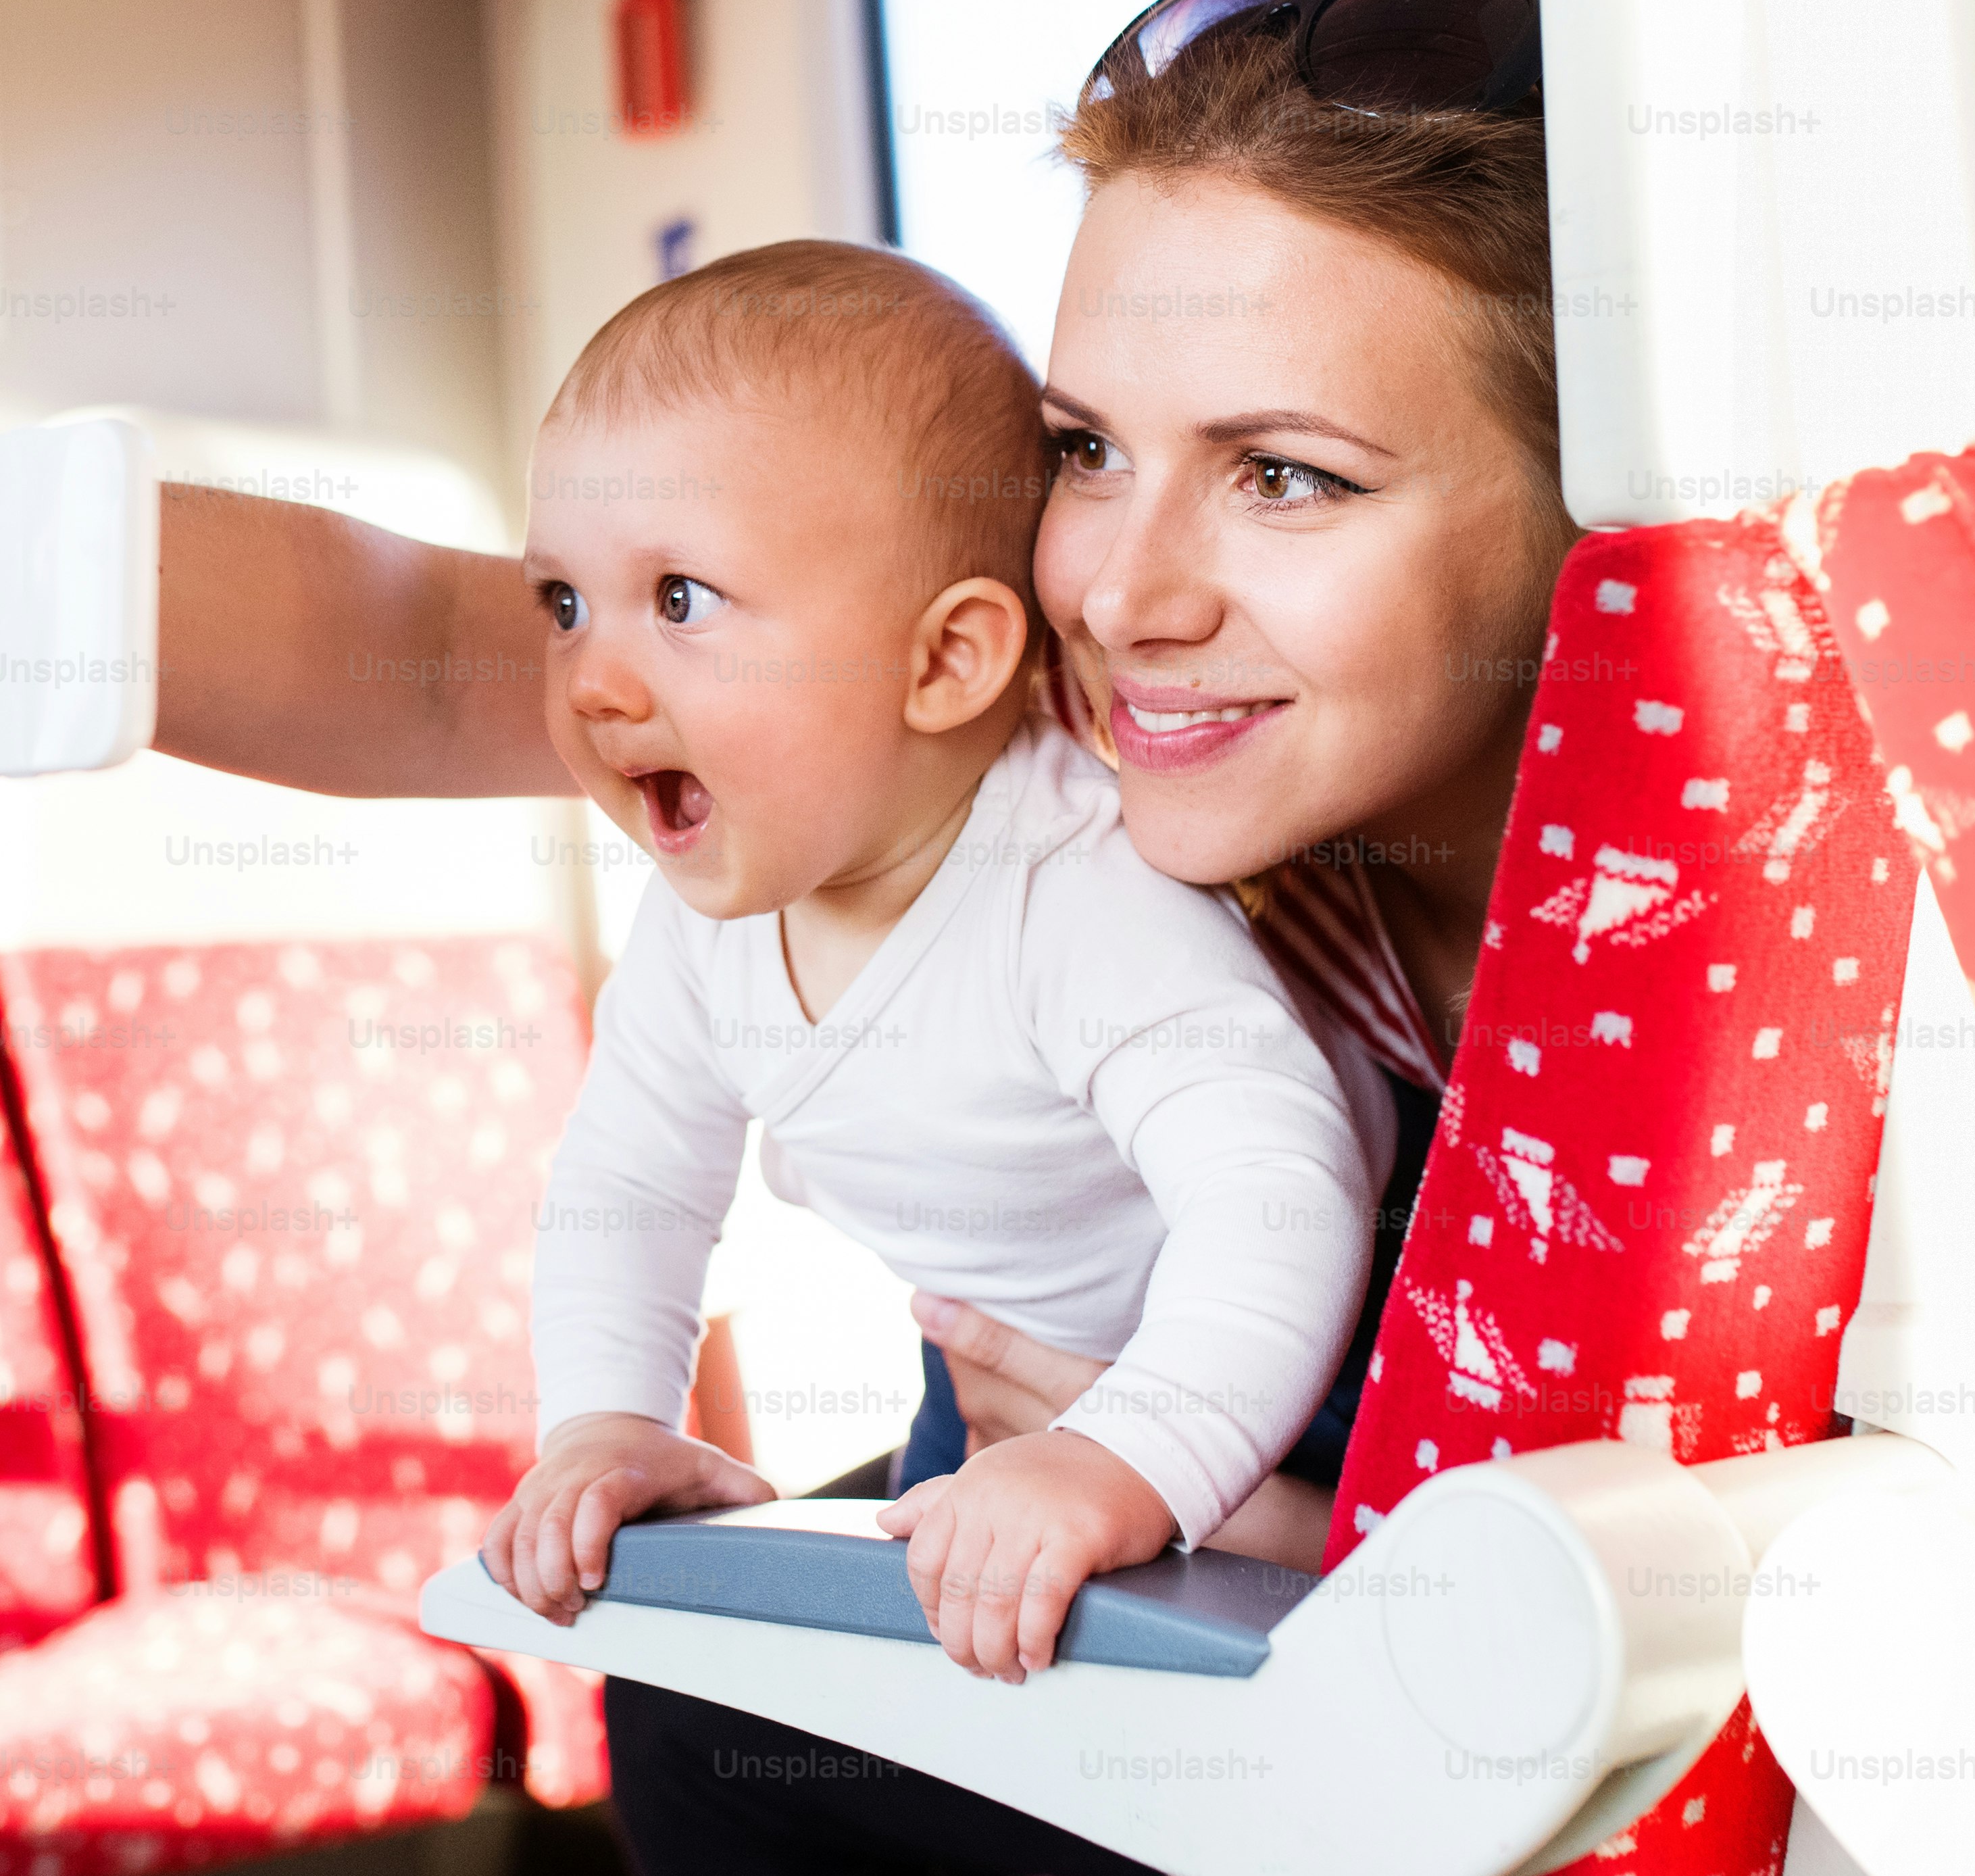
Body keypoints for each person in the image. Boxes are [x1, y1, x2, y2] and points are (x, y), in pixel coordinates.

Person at [0, 0, 1569, 1876]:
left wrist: (1232, 1511)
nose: (1119, 589)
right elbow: (448, 656)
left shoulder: (1710, 940)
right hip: (1063, 1466)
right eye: (1081, 448)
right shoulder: (1013, 695)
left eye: (1286, 473)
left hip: (1334, 1551)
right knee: (698, 1736)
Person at [478, 239, 1390, 1683]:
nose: (592, 677)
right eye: (564, 603)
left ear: (946, 660)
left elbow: (1281, 1204)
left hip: (1300, 1355)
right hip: (987, 1366)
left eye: (681, 599)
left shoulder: (1076, 896)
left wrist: (1120, 1461)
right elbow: (631, 1182)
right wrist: (605, 1419)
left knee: (1220, 1714)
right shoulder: (703, 920)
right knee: (738, 1705)